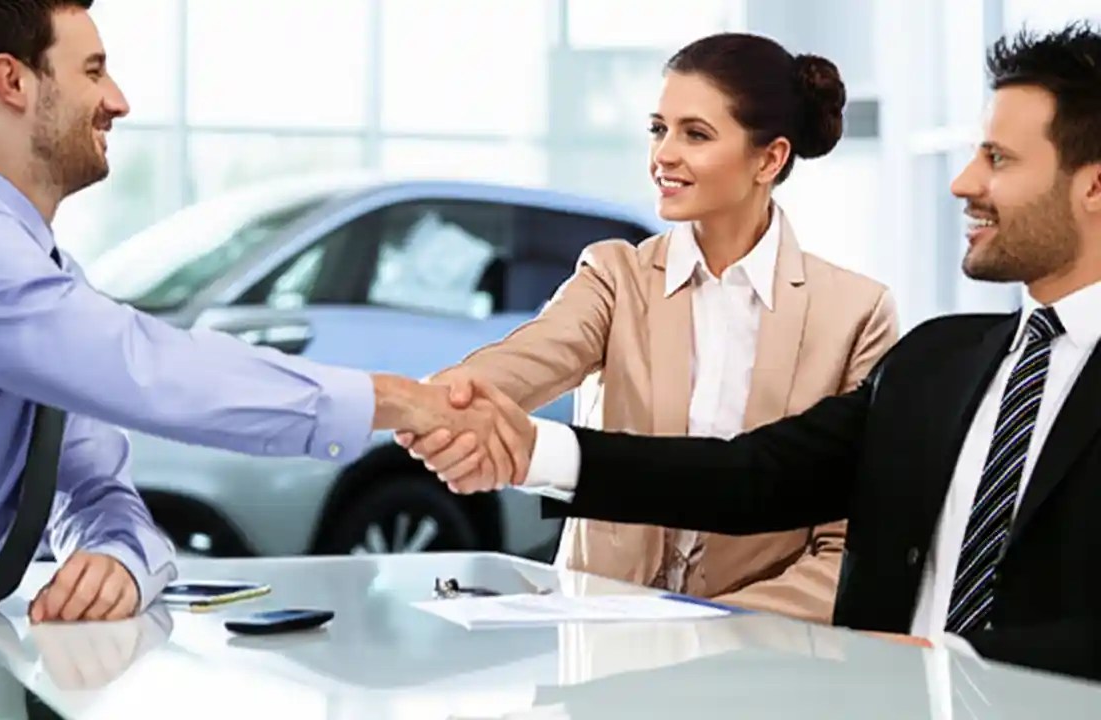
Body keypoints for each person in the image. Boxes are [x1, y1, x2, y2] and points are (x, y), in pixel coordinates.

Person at [0, 1, 505, 715]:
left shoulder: (36, 274)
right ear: (13, 82)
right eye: (93, 71)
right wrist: (400, 400)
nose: (117, 101)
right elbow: (155, 369)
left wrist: (119, 556)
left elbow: (97, 489)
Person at [413, 23, 1101, 682]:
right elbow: (753, 476)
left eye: (998, 159)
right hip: (830, 697)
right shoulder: (939, 361)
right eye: (658, 129)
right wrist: (519, 443)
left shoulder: (858, 311)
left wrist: (944, 662)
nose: (961, 182)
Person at [399, 32, 897, 622]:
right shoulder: (615, 276)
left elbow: (847, 547)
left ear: (770, 158)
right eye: (659, 129)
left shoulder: (857, 313)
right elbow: (524, 362)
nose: (663, 154)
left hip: (758, 670)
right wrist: (439, 401)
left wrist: (706, 632)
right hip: (602, 663)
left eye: (696, 134)